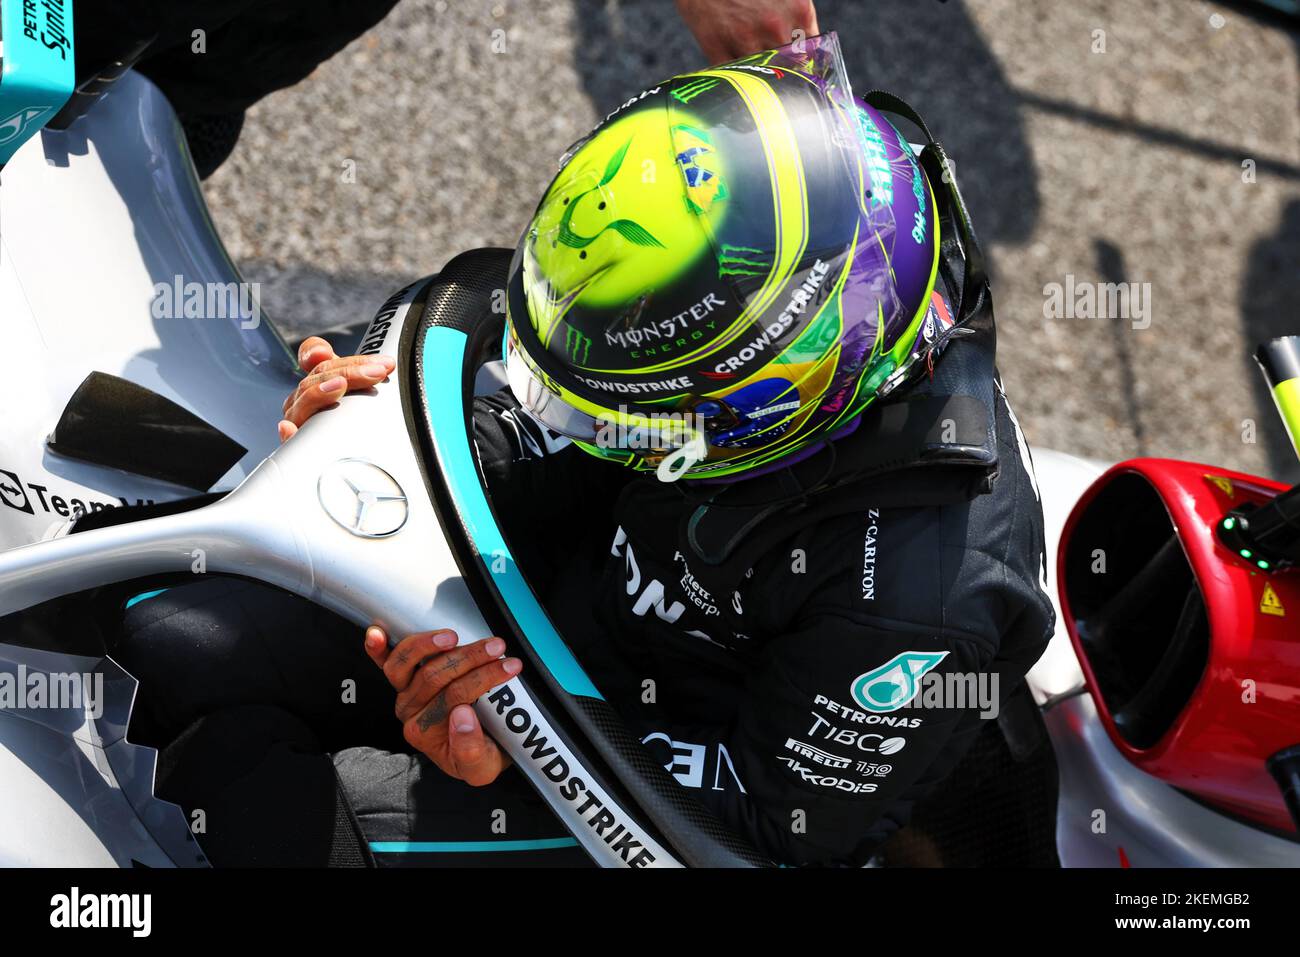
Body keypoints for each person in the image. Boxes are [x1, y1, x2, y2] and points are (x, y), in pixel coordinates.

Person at [118, 34, 1054, 868]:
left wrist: (513, 732)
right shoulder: (791, 229)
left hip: (668, 779)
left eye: (619, 415)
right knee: (169, 637)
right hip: (562, 618)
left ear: (769, 397)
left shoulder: (921, 599)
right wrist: (390, 394)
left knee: (267, 808)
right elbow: (532, 361)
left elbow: (772, 838)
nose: (587, 417)